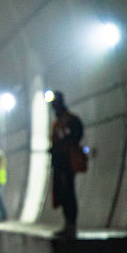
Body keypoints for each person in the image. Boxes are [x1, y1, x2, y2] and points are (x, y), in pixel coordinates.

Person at [48, 90, 85, 239]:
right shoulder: (57, 123)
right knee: (62, 194)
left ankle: (71, 225)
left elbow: (76, 136)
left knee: (68, 192)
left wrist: (62, 145)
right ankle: (68, 224)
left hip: (67, 162)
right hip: (59, 162)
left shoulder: (70, 120)